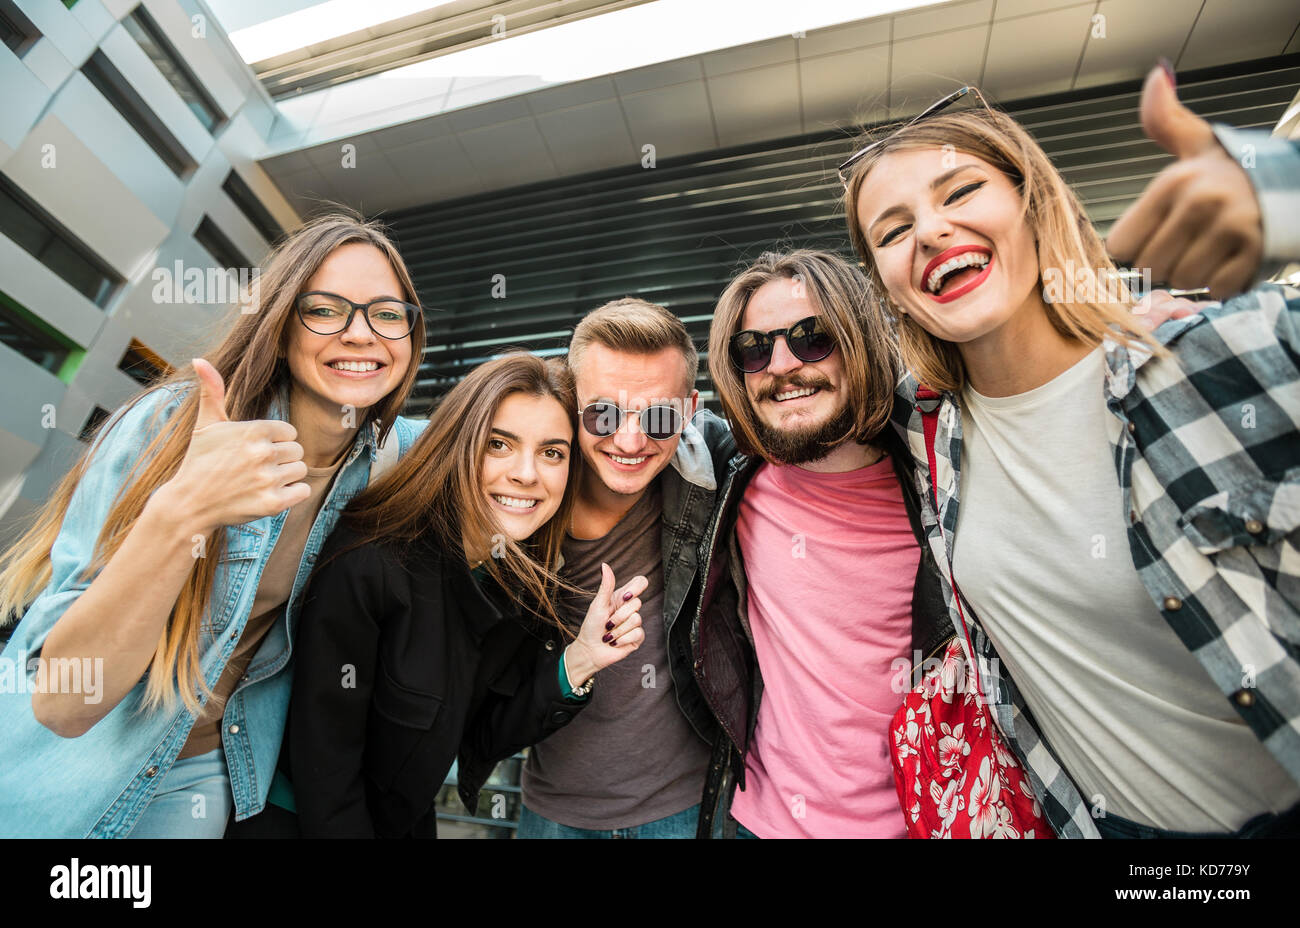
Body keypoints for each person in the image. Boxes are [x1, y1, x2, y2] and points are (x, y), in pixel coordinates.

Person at [841, 68, 1300, 837]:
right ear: (885, 286)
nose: (928, 232)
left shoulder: (1205, 357)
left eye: (959, 194)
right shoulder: (930, 431)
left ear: (1033, 203)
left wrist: (1284, 194)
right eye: (892, 231)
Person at [0, 213, 428, 838]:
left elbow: (520, 441)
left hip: (210, 771)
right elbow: (65, 703)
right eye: (327, 309)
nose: (362, 334)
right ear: (280, 327)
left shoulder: (388, 461)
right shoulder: (166, 427)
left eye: (388, 315)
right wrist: (186, 509)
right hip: (69, 765)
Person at [289, 353, 647, 837]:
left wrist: (579, 660)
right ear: (459, 445)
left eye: (552, 452)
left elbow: (479, 736)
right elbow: (325, 767)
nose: (526, 474)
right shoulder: (371, 561)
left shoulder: (515, 584)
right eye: (499, 444)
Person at [692, 250, 952, 838]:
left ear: (860, 341)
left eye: (812, 338)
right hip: (764, 824)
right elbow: (619, 428)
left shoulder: (946, 484)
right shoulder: (732, 480)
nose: (780, 365)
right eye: (754, 349)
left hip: (925, 823)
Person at [516, 298, 734, 839]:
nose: (630, 442)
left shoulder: (716, 473)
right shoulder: (517, 500)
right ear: (571, 403)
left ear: (688, 411)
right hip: (552, 812)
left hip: (685, 811)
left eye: (658, 417)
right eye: (604, 414)